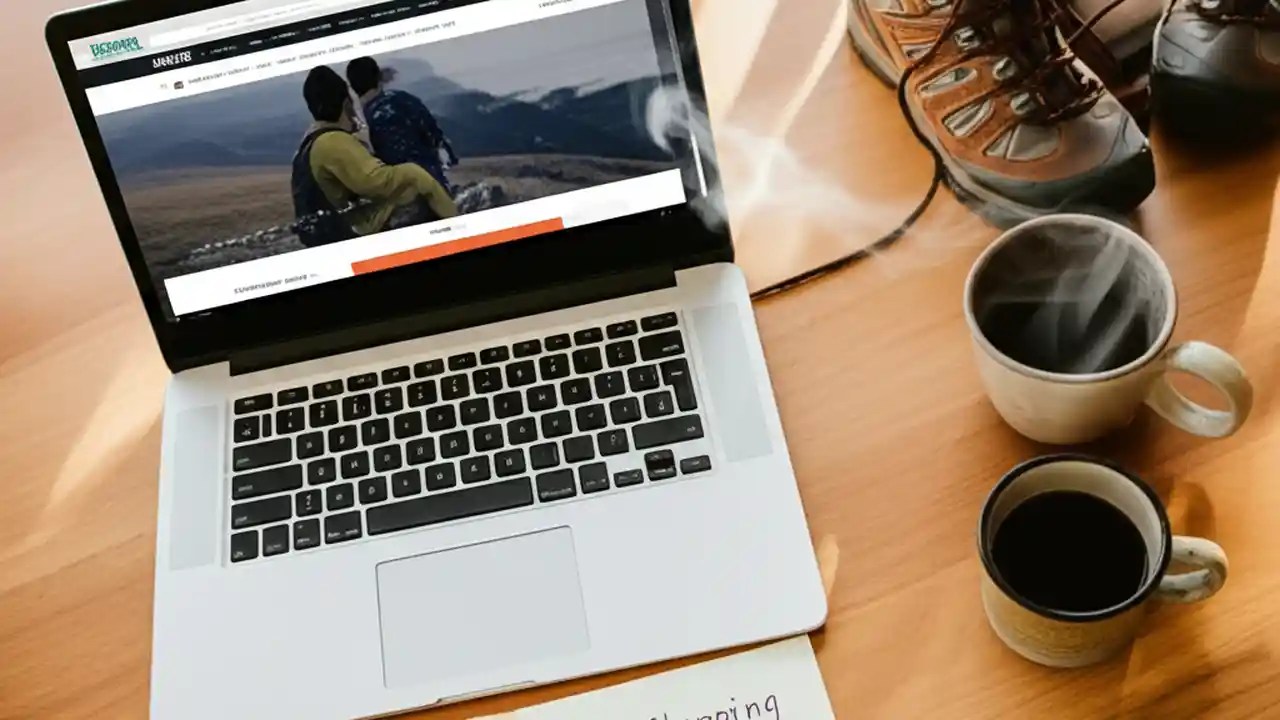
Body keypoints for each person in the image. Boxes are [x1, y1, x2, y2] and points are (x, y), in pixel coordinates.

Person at [292, 65, 456, 246]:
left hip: (325, 228)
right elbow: (378, 182)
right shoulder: (333, 141)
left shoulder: (310, 142)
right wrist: (413, 172)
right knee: (416, 182)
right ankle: (458, 229)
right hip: (346, 230)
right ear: (346, 103)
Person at [346, 56, 458, 196]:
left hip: (401, 195)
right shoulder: (404, 99)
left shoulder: (360, 124)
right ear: (378, 79)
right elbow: (437, 139)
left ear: (352, 88)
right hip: (434, 184)